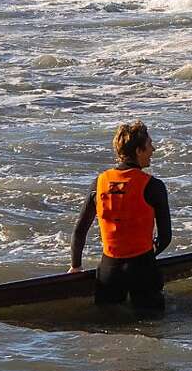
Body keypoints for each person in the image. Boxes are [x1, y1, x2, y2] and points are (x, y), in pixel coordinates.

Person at [70, 120, 173, 312]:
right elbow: (166, 237)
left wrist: (76, 266)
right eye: (150, 144)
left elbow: (80, 229)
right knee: (152, 330)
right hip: (143, 270)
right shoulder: (154, 186)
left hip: (109, 272)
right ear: (139, 151)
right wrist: (147, 257)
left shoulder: (99, 183)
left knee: (109, 328)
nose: (154, 149)